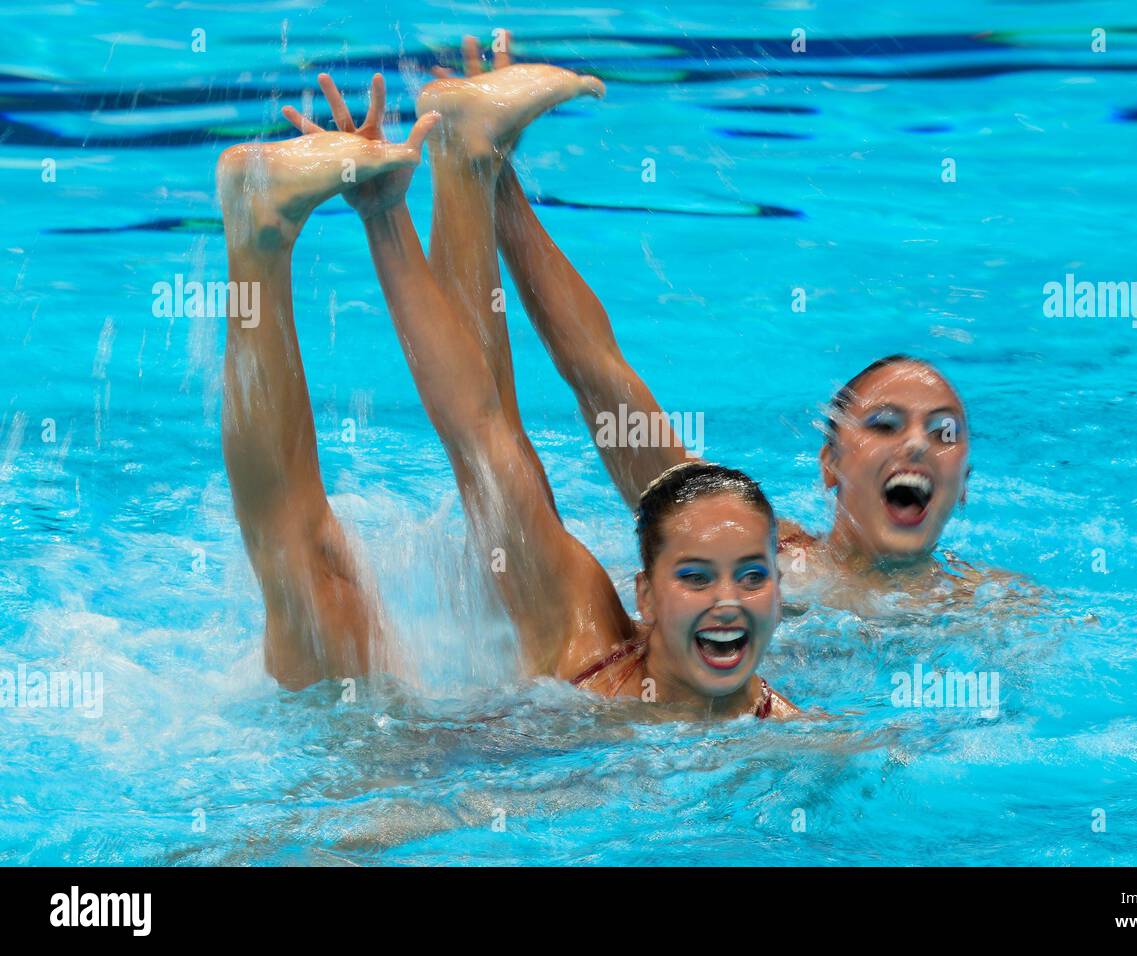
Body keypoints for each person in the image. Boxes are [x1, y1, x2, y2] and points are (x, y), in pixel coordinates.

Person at [217, 63, 796, 719]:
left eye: (752, 577)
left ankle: (466, 157)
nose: (728, 602)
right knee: (313, 582)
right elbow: (477, 425)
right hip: (414, 769)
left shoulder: (802, 740)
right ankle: (261, 233)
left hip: (447, 782)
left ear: (779, 592)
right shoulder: (586, 633)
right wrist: (385, 218)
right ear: (647, 597)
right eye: (695, 577)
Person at [459, 34, 1010, 615]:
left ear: (966, 481)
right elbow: (599, 373)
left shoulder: (1000, 611)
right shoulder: (746, 551)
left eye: (944, 432)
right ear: (831, 464)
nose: (918, 444)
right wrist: (497, 184)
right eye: (885, 424)